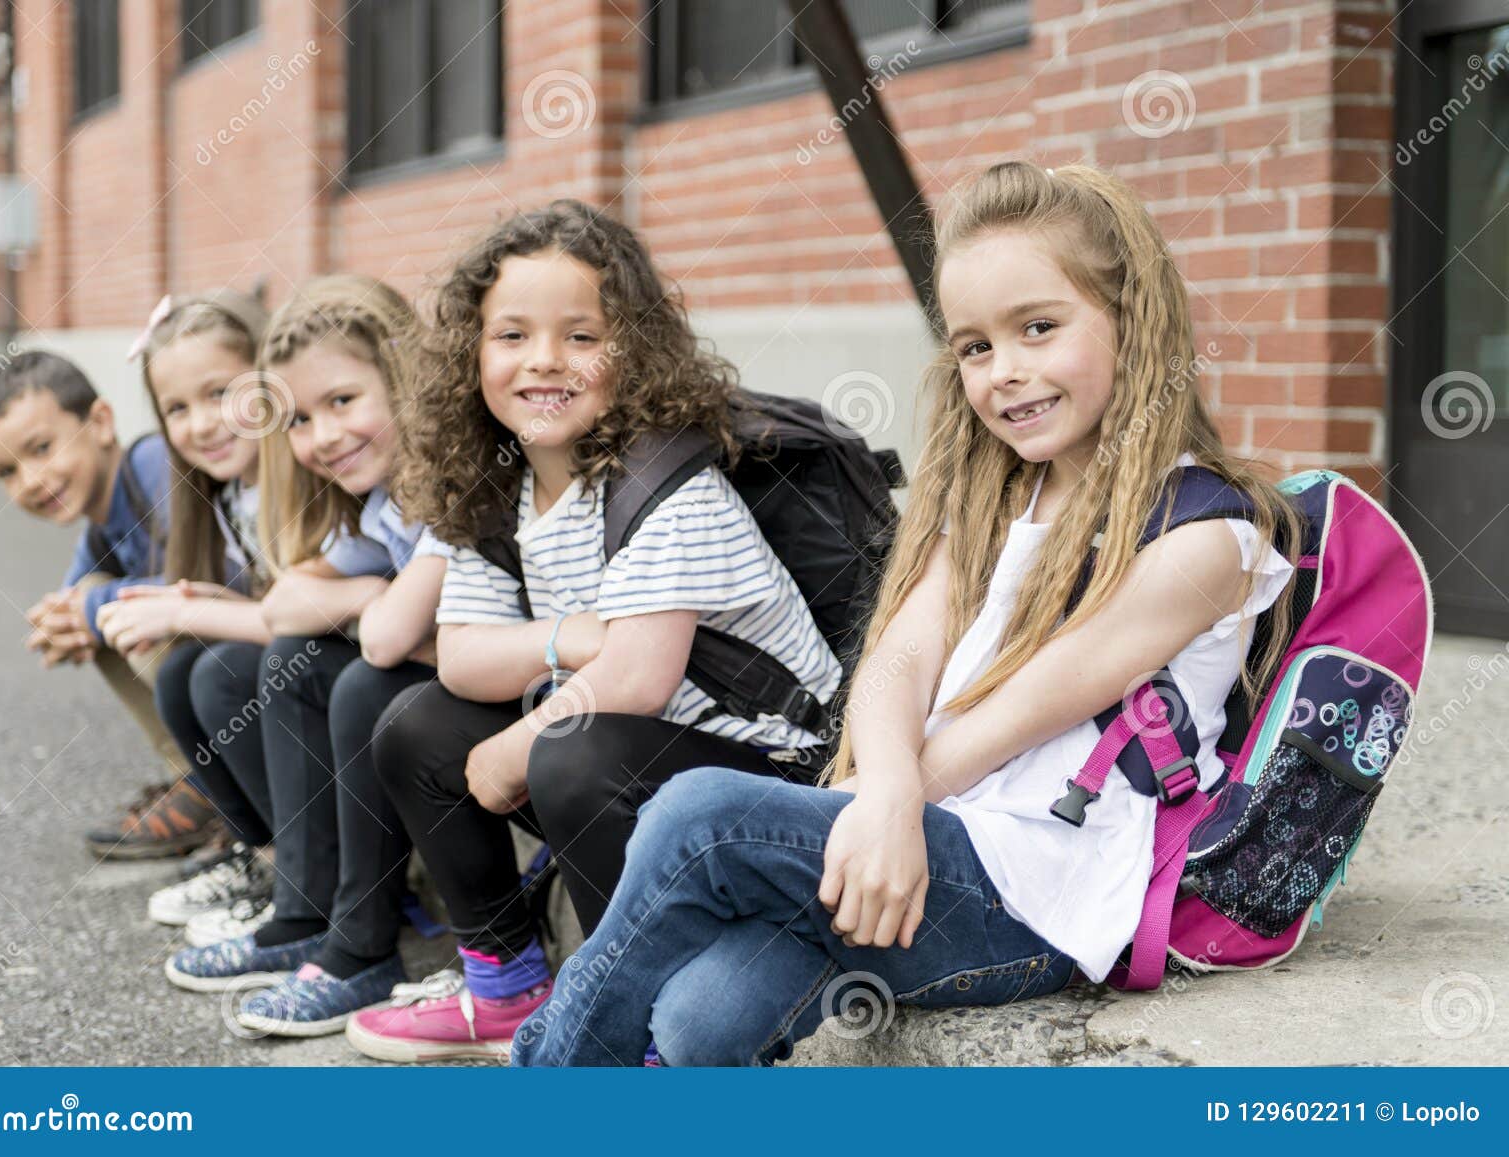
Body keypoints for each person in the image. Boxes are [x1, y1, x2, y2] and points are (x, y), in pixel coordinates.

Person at [511, 161, 1304, 1067]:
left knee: (699, 817)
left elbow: (1016, 716)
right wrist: (883, 792)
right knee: (702, 1017)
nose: (1006, 372)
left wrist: (874, 803)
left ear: (1134, 321)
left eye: (1039, 329)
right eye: (975, 347)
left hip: (1036, 891)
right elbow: (895, 664)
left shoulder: (1204, 535)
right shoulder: (991, 501)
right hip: (915, 837)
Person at [345, 200, 841, 1063]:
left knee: (568, 749)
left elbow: (638, 679)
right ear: (470, 352)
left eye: (582, 336)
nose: (545, 361)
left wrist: (516, 745)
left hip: (773, 775)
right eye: (512, 336)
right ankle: (505, 985)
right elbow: (461, 657)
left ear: (634, 352)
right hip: (640, 750)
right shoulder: (492, 487)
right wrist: (570, 636)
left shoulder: (663, 483)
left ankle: (641, 1017)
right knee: (416, 726)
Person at [163, 276, 448, 1039]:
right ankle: (304, 913)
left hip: (532, 700)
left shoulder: (449, 488)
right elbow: (289, 600)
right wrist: (364, 598)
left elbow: (390, 641)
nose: (322, 436)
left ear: (404, 381)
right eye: (298, 418)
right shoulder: (378, 500)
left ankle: (360, 950)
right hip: (454, 674)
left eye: (343, 402)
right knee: (283, 657)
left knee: (357, 679)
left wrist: (367, 609)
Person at [0, 350, 222, 859]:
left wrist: (88, 611)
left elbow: (204, 579)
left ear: (101, 422)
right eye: (6, 472)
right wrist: (63, 620)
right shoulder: (99, 516)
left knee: (114, 615)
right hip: (220, 654)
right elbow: (76, 594)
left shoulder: (151, 466)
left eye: (41, 448)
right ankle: (200, 782)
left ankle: (230, 787)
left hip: (258, 649)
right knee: (93, 609)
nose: (30, 481)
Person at [104, 289, 281, 938]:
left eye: (218, 393)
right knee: (184, 668)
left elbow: (317, 620)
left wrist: (190, 607)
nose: (202, 423)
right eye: (177, 408)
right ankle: (263, 857)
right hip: (308, 665)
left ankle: (308, 878)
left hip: (351, 686)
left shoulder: (306, 477)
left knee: (219, 673)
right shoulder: (228, 492)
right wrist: (189, 605)